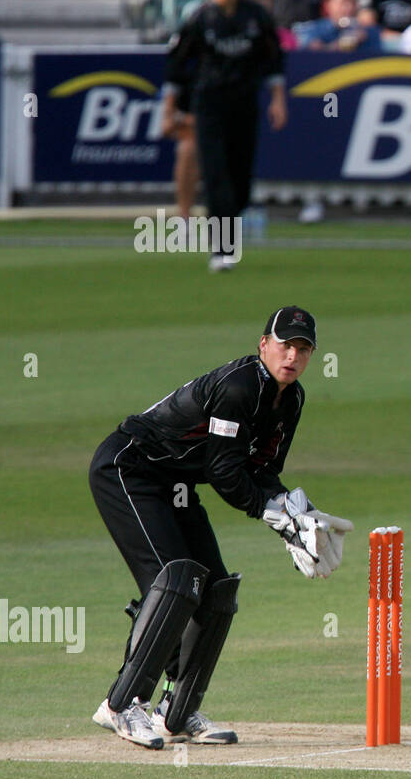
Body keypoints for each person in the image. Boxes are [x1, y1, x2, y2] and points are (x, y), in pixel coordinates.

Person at [89, 307, 353, 749]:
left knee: (215, 590)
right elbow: (225, 473)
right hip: (129, 469)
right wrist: (272, 515)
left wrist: (295, 517)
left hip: (175, 485)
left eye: (303, 349)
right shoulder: (238, 386)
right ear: (263, 345)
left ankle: (176, 711)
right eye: (285, 345)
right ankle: (121, 704)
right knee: (174, 582)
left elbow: (261, 471)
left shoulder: (291, 399)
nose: (292, 356)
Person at [163, 0, 286, 273]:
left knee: (240, 178)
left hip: (244, 101)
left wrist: (277, 99)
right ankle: (222, 249)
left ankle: (230, 224)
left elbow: (273, 59)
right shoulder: (201, 16)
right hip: (210, 103)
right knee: (216, 174)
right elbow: (177, 64)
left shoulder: (255, 15)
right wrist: (169, 109)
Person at [295, 0, 383, 52]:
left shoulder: (369, 32)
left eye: (353, 1)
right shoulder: (312, 30)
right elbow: (309, 57)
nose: (349, 7)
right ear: (328, 4)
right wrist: (341, 45)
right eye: (344, 1)